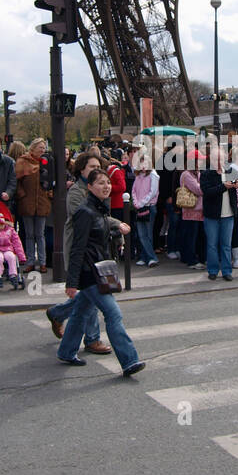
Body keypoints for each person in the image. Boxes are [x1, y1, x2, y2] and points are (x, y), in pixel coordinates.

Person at [56, 167, 145, 377]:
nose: (106, 186)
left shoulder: (99, 210)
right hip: (90, 272)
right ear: (89, 187)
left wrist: (114, 231)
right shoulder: (85, 212)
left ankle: (67, 351)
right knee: (113, 314)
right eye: (100, 183)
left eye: (108, 182)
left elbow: (98, 237)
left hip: (100, 269)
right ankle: (129, 360)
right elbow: (78, 247)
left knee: (80, 313)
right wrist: (72, 282)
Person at [44, 153, 110, 354]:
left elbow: (103, 220)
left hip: (94, 250)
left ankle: (58, 313)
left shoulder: (99, 189)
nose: (95, 169)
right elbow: (89, 218)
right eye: (91, 166)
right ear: (81, 169)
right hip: (78, 248)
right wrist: (117, 224)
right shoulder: (76, 192)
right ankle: (92, 339)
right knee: (91, 293)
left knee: (88, 297)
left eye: (98, 166)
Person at [199, 144, 238, 281]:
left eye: (220, 158)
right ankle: (212, 270)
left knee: (226, 245)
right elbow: (207, 191)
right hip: (212, 215)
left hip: (228, 215)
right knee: (212, 244)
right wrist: (223, 186)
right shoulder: (206, 174)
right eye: (215, 158)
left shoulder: (230, 171)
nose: (218, 161)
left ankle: (226, 271)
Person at [14, 139, 52, 273]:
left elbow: (51, 179)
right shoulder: (23, 161)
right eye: (40, 147)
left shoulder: (46, 162)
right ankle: (30, 261)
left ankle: (42, 262)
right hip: (27, 202)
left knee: (40, 234)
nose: (42, 150)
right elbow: (16, 181)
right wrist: (22, 195)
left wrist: (49, 193)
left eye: (44, 148)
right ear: (33, 148)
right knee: (29, 234)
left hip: (42, 202)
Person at [130, 156, 160, 267]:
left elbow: (153, 192)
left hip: (149, 207)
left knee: (147, 234)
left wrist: (141, 203)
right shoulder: (138, 176)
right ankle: (145, 256)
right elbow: (133, 190)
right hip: (139, 207)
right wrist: (136, 202)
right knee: (141, 234)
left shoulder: (153, 175)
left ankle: (151, 257)